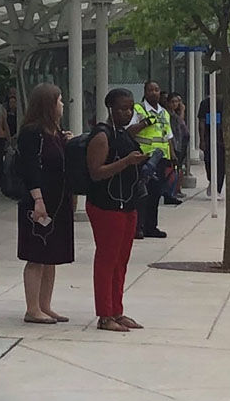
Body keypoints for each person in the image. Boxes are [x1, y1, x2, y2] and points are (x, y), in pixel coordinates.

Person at [86, 88, 150, 333]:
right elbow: (96, 172)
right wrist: (127, 162)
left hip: (127, 203)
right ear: (110, 108)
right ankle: (104, 314)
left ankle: (117, 310)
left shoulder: (124, 133)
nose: (127, 112)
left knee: (121, 261)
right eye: (122, 108)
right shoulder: (102, 135)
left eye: (130, 107)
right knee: (106, 260)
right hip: (106, 205)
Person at [16, 82, 73, 324]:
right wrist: (37, 199)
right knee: (37, 253)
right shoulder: (32, 133)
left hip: (58, 201)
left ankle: (45, 305)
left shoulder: (57, 133)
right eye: (59, 100)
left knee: (51, 255)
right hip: (40, 201)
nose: (62, 105)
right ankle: (32, 307)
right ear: (48, 104)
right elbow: (28, 167)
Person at [128, 80, 173, 238]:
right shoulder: (138, 110)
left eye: (157, 89)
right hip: (143, 158)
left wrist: (173, 159)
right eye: (151, 90)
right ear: (145, 92)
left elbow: (168, 137)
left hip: (160, 159)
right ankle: (137, 227)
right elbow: (130, 132)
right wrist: (144, 123)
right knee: (141, 194)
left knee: (155, 194)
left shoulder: (164, 113)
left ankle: (151, 227)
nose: (154, 92)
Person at [197, 94, 225, 198]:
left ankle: (217, 189)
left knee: (221, 165)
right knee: (209, 162)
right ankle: (212, 182)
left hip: (221, 139)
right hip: (209, 138)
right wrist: (202, 140)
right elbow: (201, 122)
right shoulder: (205, 104)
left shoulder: (224, 103)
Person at [163, 92, 189, 204]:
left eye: (177, 102)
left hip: (179, 144)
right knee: (173, 170)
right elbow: (180, 124)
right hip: (173, 144)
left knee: (178, 169)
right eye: (173, 102)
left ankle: (175, 190)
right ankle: (170, 192)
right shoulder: (169, 115)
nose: (175, 104)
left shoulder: (174, 114)